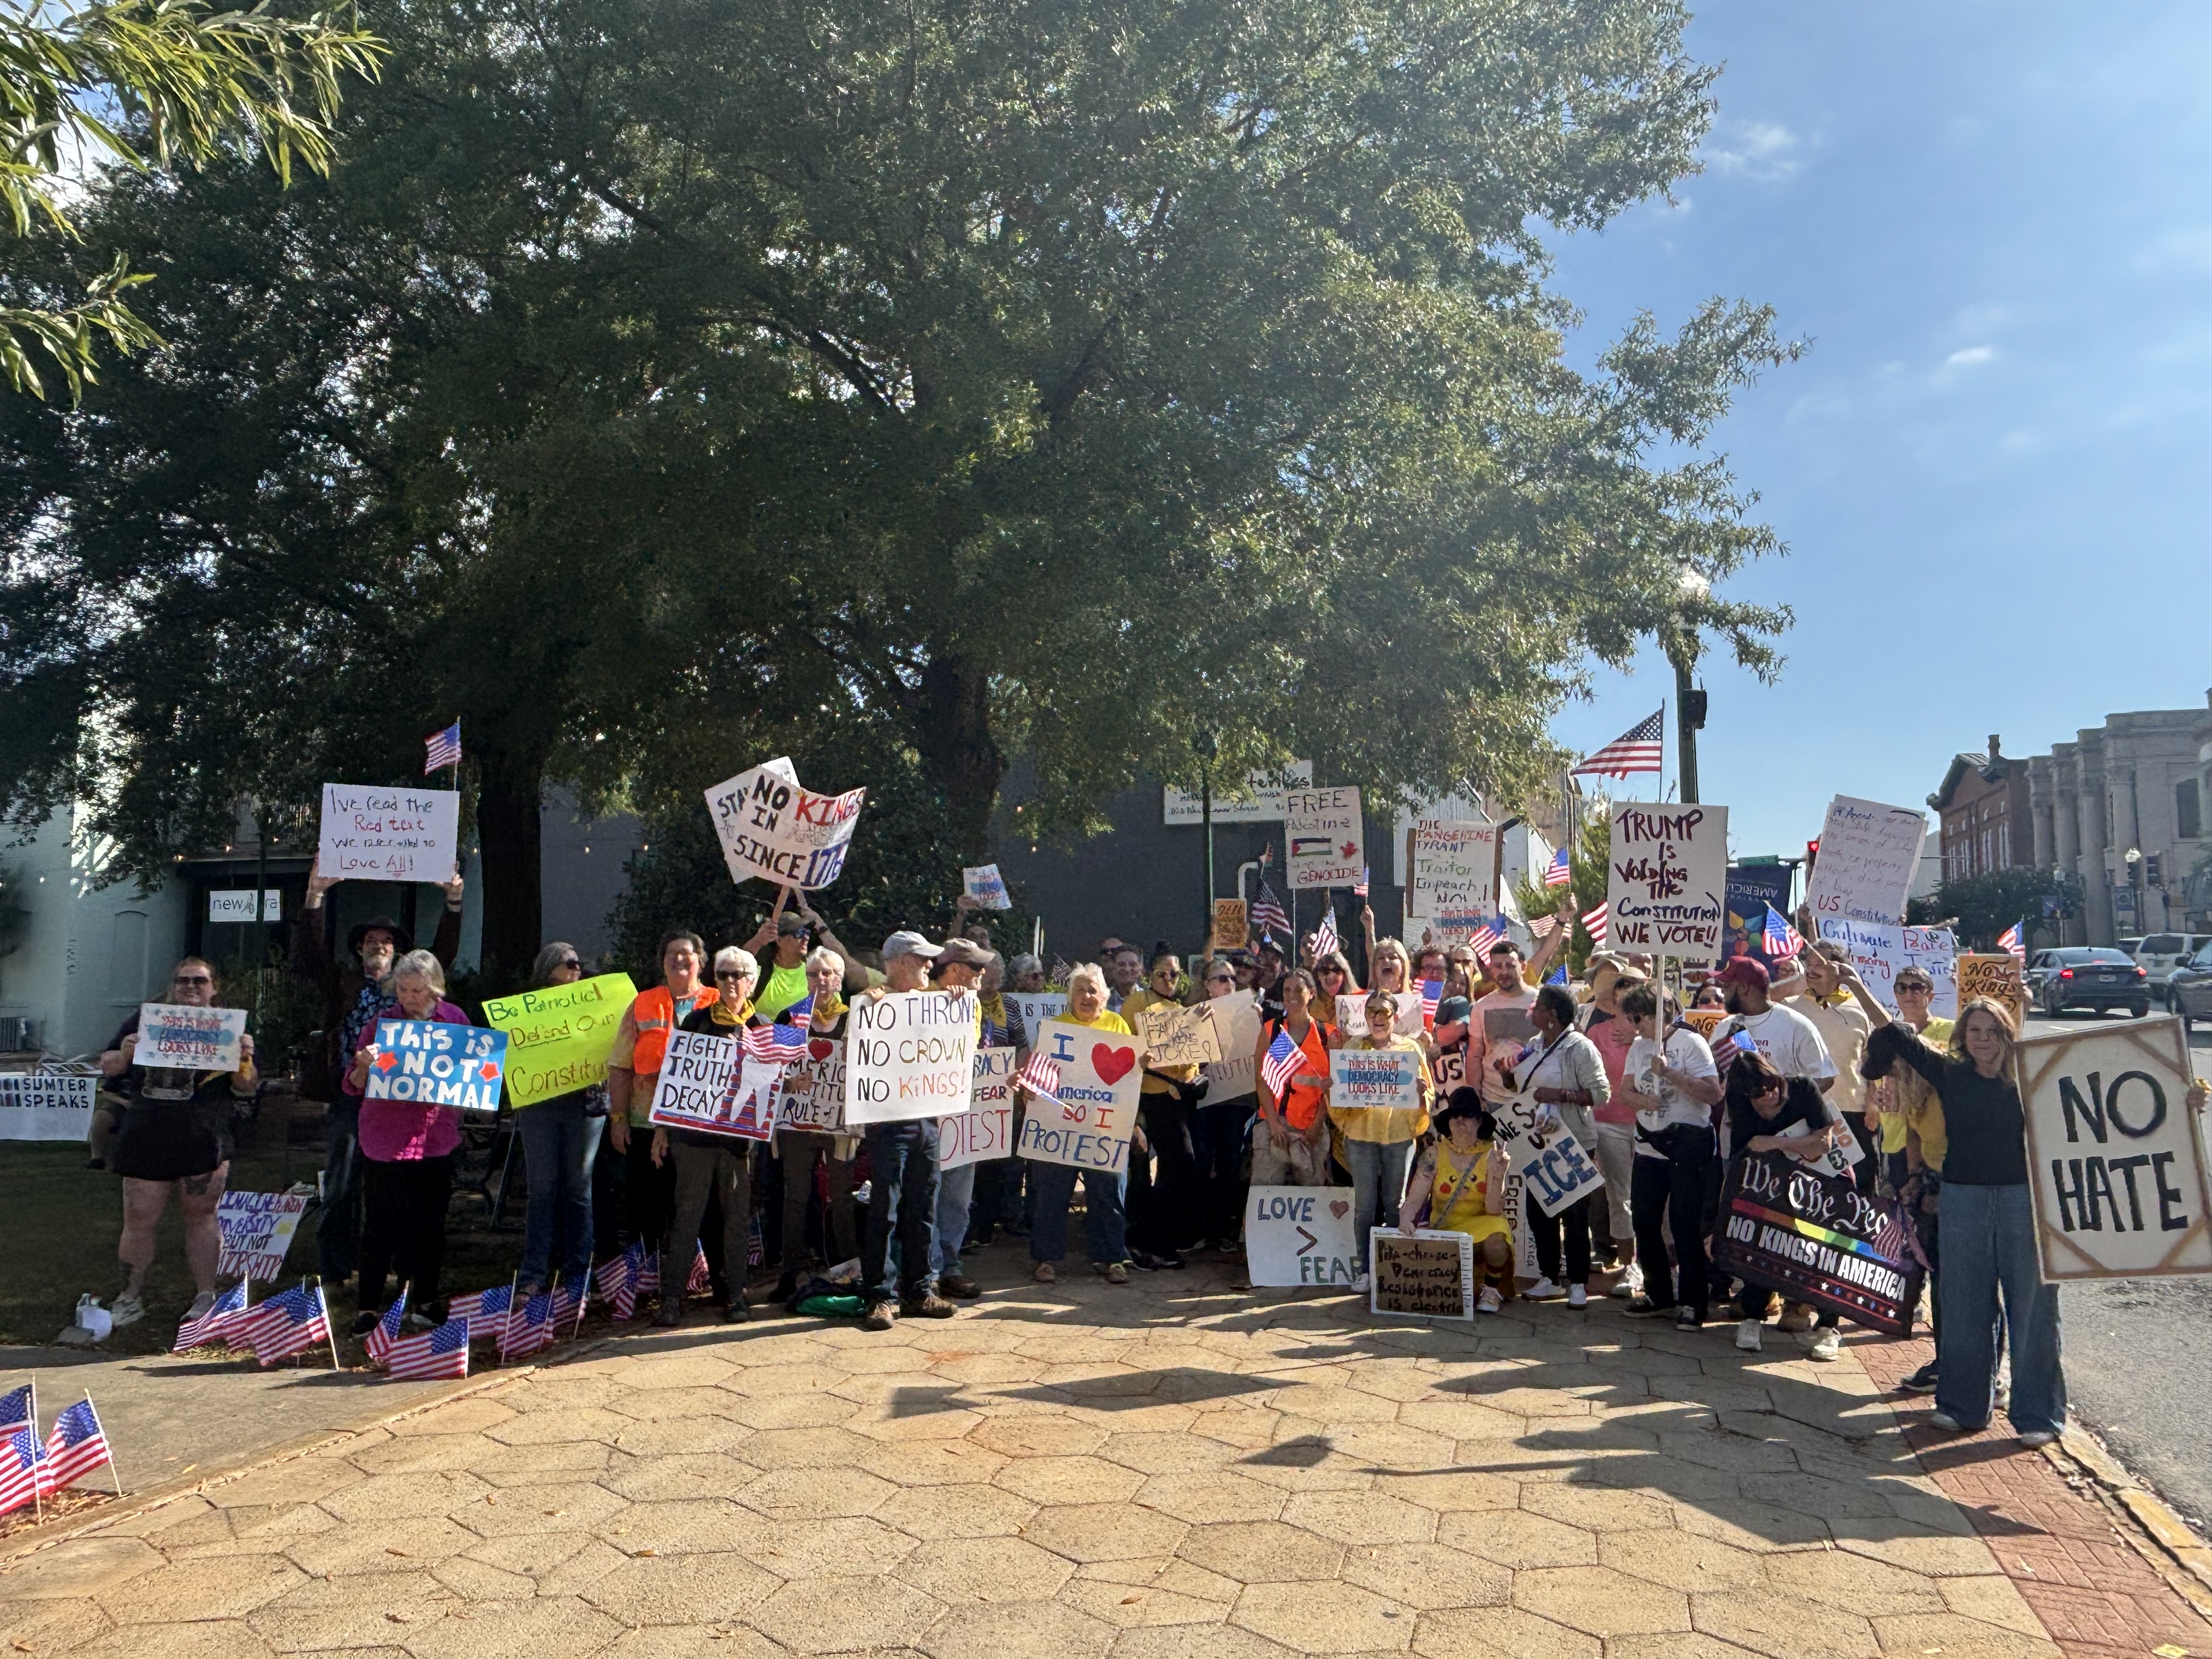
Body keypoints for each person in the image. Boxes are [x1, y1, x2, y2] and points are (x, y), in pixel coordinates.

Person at [1847, 967, 2064, 1441]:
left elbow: (2098, 1097)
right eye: (1974, 1031)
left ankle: (2038, 1417)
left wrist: (2186, 1098)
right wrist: (1859, 985)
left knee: (2032, 1307)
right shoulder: (1950, 1074)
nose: (1983, 1039)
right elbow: (1894, 1034)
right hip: (1962, 1198)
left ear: (2007, 1035)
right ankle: (1963, 1406)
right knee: (1963, 1303)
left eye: (1992, 1031)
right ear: (1963, 1037)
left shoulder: (2032, 1076)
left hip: (2022, 1199)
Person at [292, 859, 464, 1291]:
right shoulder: (343, 984)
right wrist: (315, 896)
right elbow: (311, 957)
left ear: (399, 953)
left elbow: (441, 956)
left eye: (387, 942)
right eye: (371, 940)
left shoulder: (410, 991)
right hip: (355, 1093)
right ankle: (336, 1269)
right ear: (359, 949)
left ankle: (399, 1268)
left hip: (407, 1101)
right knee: (343, 1183)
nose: (379, 946)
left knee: (403, 1191)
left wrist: (454, 901)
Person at [97, 957, 258, 1327]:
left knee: (202, 1217)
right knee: (139, 1218)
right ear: (172, 986)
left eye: (199, 981)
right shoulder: (145, 1020)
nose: (190, 987)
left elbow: (246, 1086)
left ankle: (206, 1297)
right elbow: (107, 1065)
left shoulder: (227, 1027)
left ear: (213, 987)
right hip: (148, 1131)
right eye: (183, 981)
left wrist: (244, 1058)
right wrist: (124, 1053)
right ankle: (129, 1296)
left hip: (204, 1135)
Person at [1713, 953, 1839, 1339]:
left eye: (1727, 985)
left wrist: (1783, 1117)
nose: (1722, 991)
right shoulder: (1725, 1028)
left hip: (1801, 1157)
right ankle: (1758, 1299)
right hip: (1747, 1145)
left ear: (1745, 988)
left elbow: (1825, 1078)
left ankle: (1801, 1305)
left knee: (1805, 1232)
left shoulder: (1794, 1024)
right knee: (1760, 1226)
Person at [345, 950, 470, 1332]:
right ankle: (369, 1308)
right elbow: (351, 1086)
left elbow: (473, 1075)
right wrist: (364, 1067)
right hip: (386, 1138)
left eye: (418, 990)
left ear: (435, 989)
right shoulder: (380, 1026)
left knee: (430, 1224)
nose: (410, 997)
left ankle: (424, 1300)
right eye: (403, 989)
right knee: (381, 1224)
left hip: (435, 1138)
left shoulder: (456, 1021)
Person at [650, 947, 763, 1325]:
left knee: (735, 1220)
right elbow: (672, 1081)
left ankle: (735, 1296)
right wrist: (662, 1130)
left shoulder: (762, 1027)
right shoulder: (696, 1023)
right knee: (687, 1217)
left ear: (752, 981)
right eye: (725, 974)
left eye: (739, 974)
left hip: (736, 1143)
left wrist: (793, 1083)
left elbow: (772, 1086)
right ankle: (671, 1301)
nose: (732, 981)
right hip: (693, 1140)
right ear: (715, 978)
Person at [855, 932, 960, 1329]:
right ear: (898, 962)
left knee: (924, 1206)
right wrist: (871, 1007)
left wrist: (956, 1012)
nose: (930, 966)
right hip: (888, 1123)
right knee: (885, 1209)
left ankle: (919, 1291)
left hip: (926, 1121)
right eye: (922, 959)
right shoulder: (872, 1004)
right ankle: (879, 1296)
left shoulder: (937, 1005)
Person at [606, 933, 719, 1289]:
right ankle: (649, 1281)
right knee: (647, 1207)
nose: (680, 960)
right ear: (662, 961)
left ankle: (706, 1277)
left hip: (699, 1127)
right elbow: (620, 1066)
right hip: (643, 1122)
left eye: (688, 954)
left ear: (701, 961)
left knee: (704, 1206)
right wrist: (619, 1119)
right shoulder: (642, 1004)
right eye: (672, 953)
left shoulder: (718, 1002)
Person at [1719, 1049, 1849, 1359]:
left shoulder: (1802, 1088)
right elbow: (1742, 1156)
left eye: (1772, 1085)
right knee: (1762, 1241)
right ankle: (1753, 1316)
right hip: (1772, 1185)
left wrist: (1776, 1142)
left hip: (1821, 1182)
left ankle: (1828, 1326)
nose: (1771, 1094)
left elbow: (1823, 1142)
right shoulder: (1739, 1105)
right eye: (1760, 1093)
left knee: (1822, 1252)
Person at [1614, 983, 1722, 1329]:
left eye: (1639, 1017)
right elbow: (1624, 1092)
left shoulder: (1691, 1043)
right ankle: (1658, 1292)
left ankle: (1693, 1302)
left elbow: (1713, 1093)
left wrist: (1671, 1074)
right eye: (1632, 1018)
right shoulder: (1638, 1047)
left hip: (1687, 1146)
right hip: (1649, 1145)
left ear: (1657, 1013)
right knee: (1644, 1219)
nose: (1635, 1025)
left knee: (1684, 1224)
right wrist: (1645, 1101)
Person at [1500, 983, 1611, 1306]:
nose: (1532, 1011)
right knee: (1539, 1211)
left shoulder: (1580, 1048)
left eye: (1539, 1007)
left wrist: (1560, 1096)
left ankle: (1578, 1282)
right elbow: (1519, 1083)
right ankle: (1550, 1277)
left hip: (1572, 1140)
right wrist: (1507, 1075)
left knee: (1575, 1214)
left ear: (1552, 1015)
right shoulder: (1534, 1045)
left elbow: (1601, 1094)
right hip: (1538, 1140)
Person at [1026, 962, 1135, 1285]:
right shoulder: (1055, 1027)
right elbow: (1038, 1077)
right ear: (1070, 996)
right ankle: (1045, 1259)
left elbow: (1128, 1078)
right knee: (1052, 1192)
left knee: (1109, 1192)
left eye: (1093, 990)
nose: (1087, 996)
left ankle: (1112, 1257)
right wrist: (1027, 1088)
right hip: (1060, 1127)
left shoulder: (1117, 1024)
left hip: (1105, 1128)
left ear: (1104, 996)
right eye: (1080, 990)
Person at [513, 941, 605, 1299]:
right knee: (542, 1190)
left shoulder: (594, 1003)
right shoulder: (526, 1009)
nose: (577, 969)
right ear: (549, 967)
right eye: (570, 963)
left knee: (579, 1191)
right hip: (539, 1107)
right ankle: (534, 1273)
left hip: (583, 1108)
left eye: (579, 964)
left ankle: (578, 1273)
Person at [1877, 964, 1953, 1394]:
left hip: (1957, 1171)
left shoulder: (1950, 1031)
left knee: (1955, 1271)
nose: (1908, 993)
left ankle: (1974, 1369)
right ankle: (1911, 1311)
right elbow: (1906, 1110)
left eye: (1916, 987)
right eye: (1901, 987)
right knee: (1915, 1244)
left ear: (1929, 993)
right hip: (1910, 1149)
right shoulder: (1893, 1039)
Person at [1335, 990, 1437, 1290]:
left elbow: (1429, 1093)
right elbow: (1338, 1101)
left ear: (1395, 1017)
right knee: (1365, 1206)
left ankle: (1393, 1269)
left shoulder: (1411, 1050)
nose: (1378, 1018)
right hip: (1361, 1137)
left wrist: (1420, 1095)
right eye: (1372, 1012)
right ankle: (1365, 1271)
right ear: (1365, 1016)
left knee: (1397, 1205)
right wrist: (1347, 1096)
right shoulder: (1353, 1048)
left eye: (1384, 1012)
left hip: (1399, 1137)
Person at [776, 946, 859, 1294]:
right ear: (806, 978)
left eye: (828, 973)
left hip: (840, 1125)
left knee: (841, 1195)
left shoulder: (857, 1018)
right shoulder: (789, 1017)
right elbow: (775, 1067)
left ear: (840, 978)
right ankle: (790, 1272)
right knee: (795, 1194)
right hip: (798, 1122)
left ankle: (850, 1271)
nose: (821, 979)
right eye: (814, 973)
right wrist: (789, 1082)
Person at [1399, 1088, 1514, 1313]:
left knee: (1498, 1233)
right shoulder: (1434, 1154)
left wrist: (1498, 1175)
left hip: (1480, 1223)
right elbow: (1415, 1198)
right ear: (1448, 1122)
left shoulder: (1493, 1154)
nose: (1460, 1121)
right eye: (1455, 1116)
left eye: (1468, 1115)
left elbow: (1493, 1209)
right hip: (1445, 1226)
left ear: (1479, 1121)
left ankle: (1491, 1290)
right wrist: (1405, 1219)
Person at [1122, 948, 1201, 1270]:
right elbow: (1122, 1047)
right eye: (1163, 973)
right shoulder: (1137, 1003)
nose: (1169, 979)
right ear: (1150, 976)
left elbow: (1191, 1057)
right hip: (1147, 1096)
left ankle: (1156, 1238)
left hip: (1175, 1099)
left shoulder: (1182, 1009)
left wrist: (1195, 1077)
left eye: (1175, 974)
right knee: (1175, 1163)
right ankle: (1146, 1241)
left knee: (1176, 1167)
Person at [928, 936, 996, 1300]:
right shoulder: (921, 1001)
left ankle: (950, 1266)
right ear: (953, 969)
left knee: (957, 1195)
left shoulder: (974, 1007)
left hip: (965, 1114)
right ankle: (930, 1270)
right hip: (928, 1116)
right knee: (930, 1192)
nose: (982, 972)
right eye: (976, 966)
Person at [1577, 956, 1646, 1293]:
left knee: (1653, 1196)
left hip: (1651, 1122)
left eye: (1634, 986)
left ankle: (1658, 1263)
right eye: (1622, 985)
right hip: (1608, 1122)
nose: (1627, 991)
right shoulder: (1595, 1032)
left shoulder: (1657, 1033)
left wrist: (1638, 1040)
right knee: (1621, 1195)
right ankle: (1630, 1265)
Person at [1788, 944, 1876, 1192]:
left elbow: (1872, 1061)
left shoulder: (1863, 1009)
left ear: (1839, 969)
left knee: (1859, 1188)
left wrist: (1874, 1101)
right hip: (1804, 1112)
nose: (1812, 970)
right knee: (1807, 1191)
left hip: (1851, 1111)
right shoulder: (1790, 1006)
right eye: (1809, 964)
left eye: (1820, 965)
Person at [1193, 957, 1259, 1254]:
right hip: (1208, 1099)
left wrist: (1258, 1022)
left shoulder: (1251, 1011)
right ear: (1208, 986)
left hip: (1238, 1100)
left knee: (1231, 1163)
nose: (1228, 983)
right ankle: (1201, 1228)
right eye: (1221, 979)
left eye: (1232, 978)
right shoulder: (1195, 1015)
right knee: (1203, 1161)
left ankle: (1223, 1230)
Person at [1251, 969, 1335, 1187]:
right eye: (1287, 990)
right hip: (1273, 1126)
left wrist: (1318, 1124)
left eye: (1299, 989)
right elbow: (1262, 1080)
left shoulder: (1326, 1035)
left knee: (1314, 1197)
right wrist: (1273, 1123)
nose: (1292, 995)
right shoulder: (1273, 1031)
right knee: (1266, 1194)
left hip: (1311, 1130)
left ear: (1312, 993)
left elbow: (1333, 1086)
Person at [1104, 945, 1144, 1013]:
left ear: (1141, 969)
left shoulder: (1150, 1000)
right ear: (1113, 969)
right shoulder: (1103, 1001)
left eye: (1133, 965)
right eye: (1121, 965)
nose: (1127, 969)